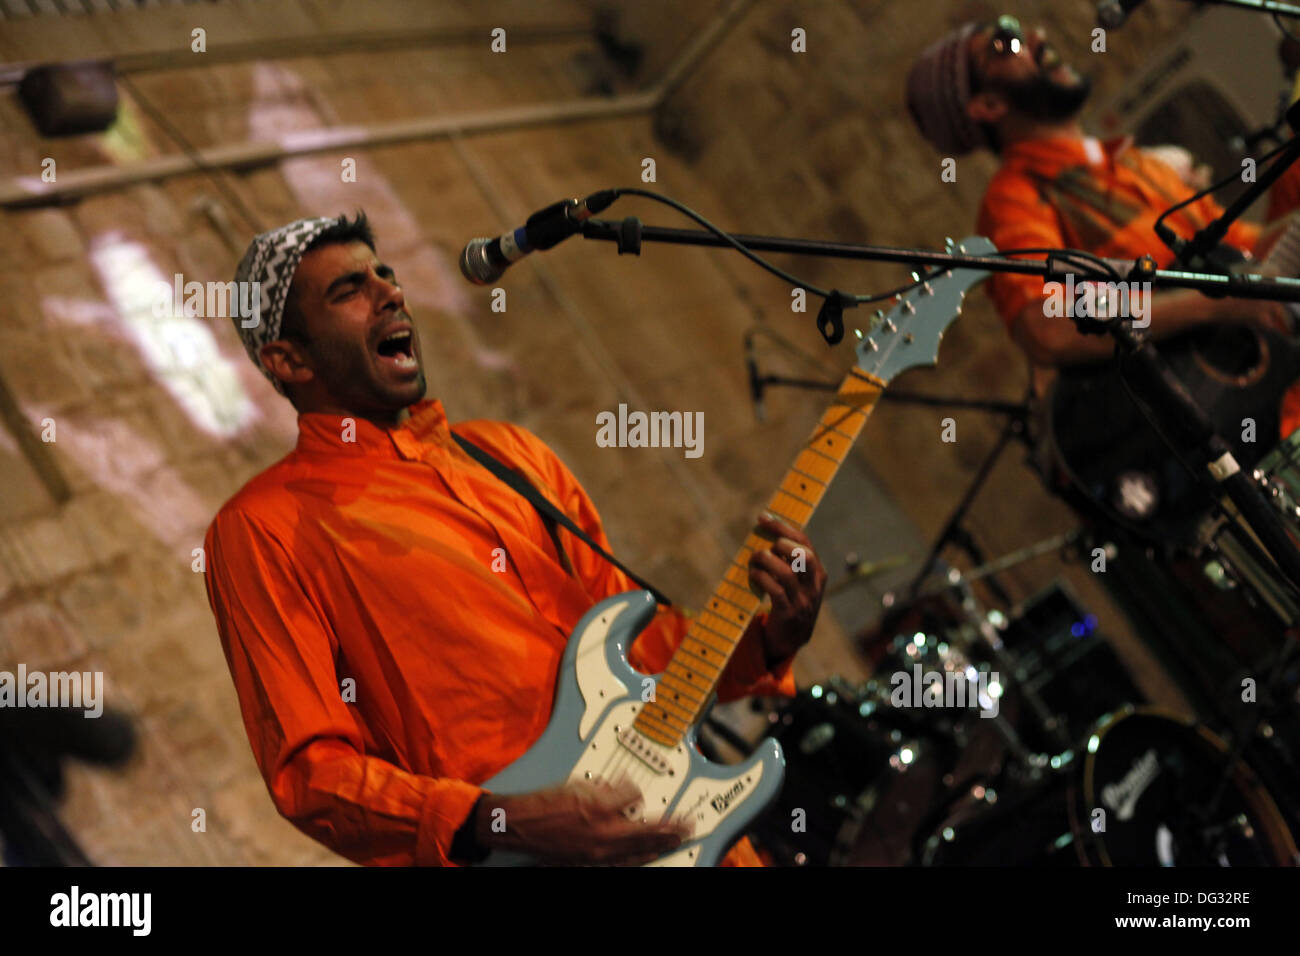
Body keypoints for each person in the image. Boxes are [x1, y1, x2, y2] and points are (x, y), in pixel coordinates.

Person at [202, 212, 825, 866]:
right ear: (289, 360)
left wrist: (770, 638)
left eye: (385, 274)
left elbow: (642, 654)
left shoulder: (511, 454)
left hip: (691, 840)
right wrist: (501, 820)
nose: (390, 292)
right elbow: (311, 775)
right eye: (348, 290)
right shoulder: (263, 527)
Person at [905, 14, 1299, 430]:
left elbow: (1250, 252)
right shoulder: (1018, 196)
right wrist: (1210, 305)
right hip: (1218, 415)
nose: (1036, 37)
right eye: (1005, 43)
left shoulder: (1138, 164)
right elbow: (1047, 325)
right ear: (989, 105)